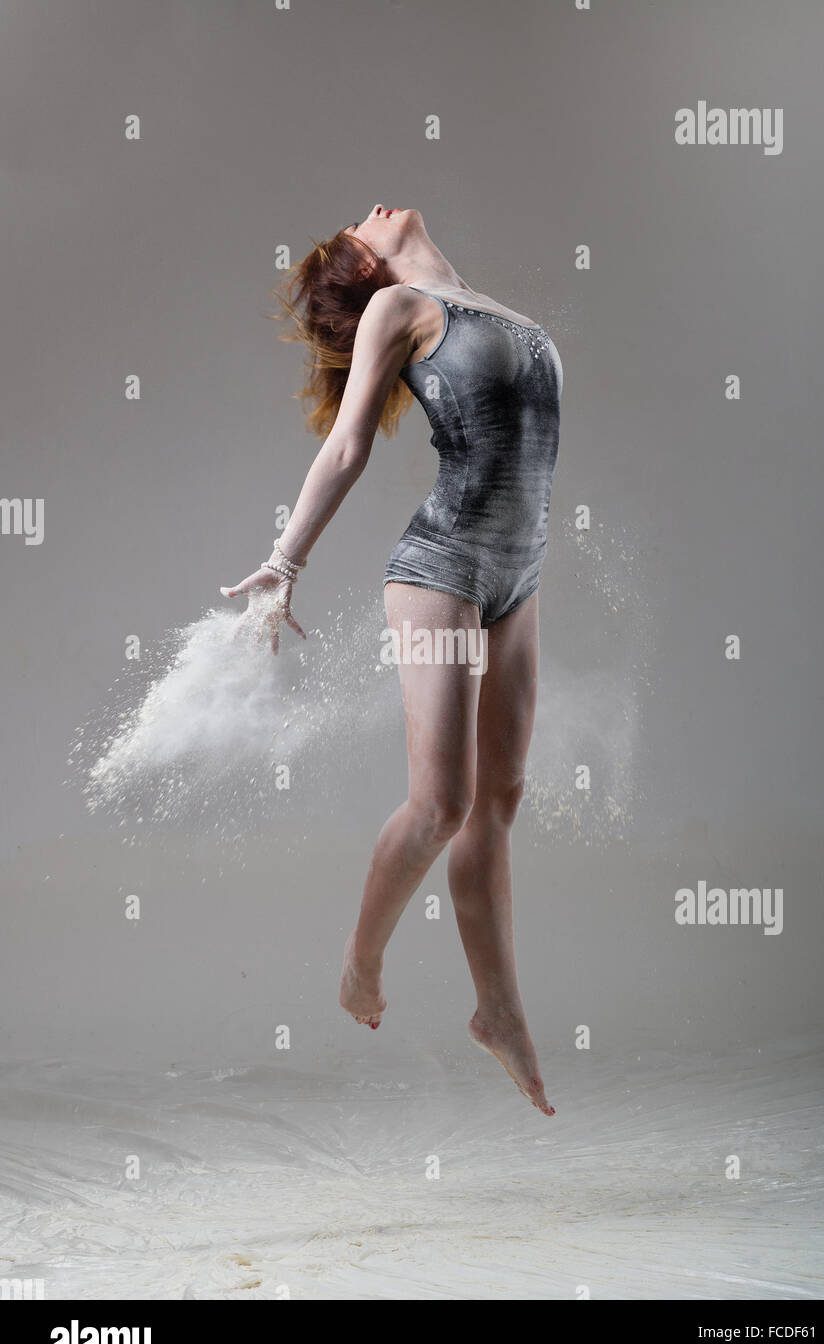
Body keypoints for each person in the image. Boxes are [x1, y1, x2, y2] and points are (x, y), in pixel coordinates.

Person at [222, 205, 562, 1115]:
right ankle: (361, 962)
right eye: (354, 226)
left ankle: (497, 1010)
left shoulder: (481, 304)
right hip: (443, 568)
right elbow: (348, 443)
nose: (368, 207)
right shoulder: (399, 308)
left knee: (499, 802)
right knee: (442, 803)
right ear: (364, 265)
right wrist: (285, 561)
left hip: (516, 577)